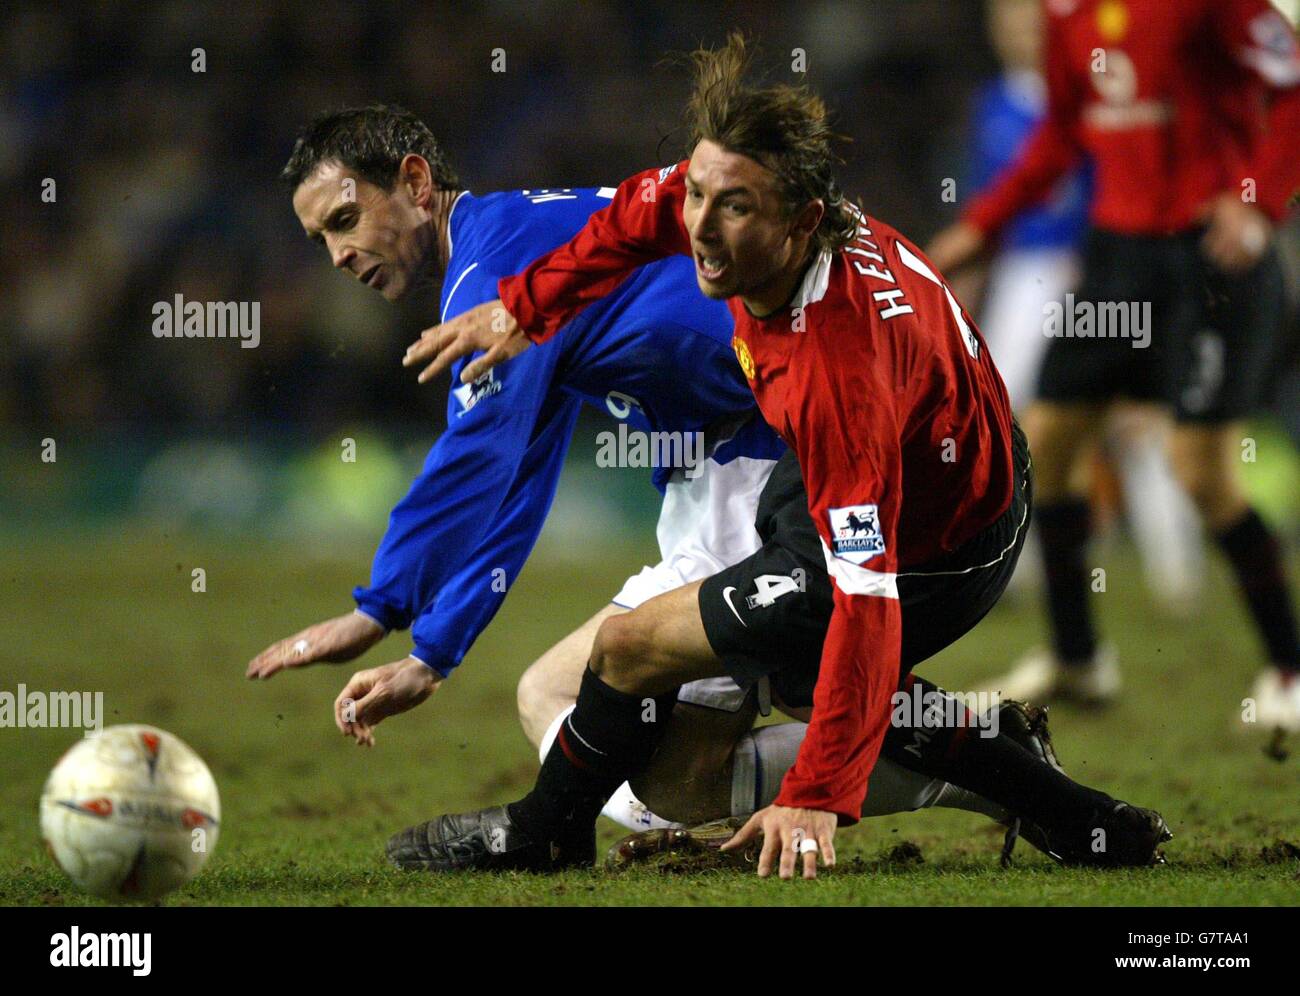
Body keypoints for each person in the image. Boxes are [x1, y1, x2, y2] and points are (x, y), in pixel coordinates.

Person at [401, 34, 1170, 879]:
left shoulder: (833, 364)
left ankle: (540, 834)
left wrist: (819, 792)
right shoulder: (745, 210)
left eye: (730, 208)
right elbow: (626, 221)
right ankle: (1064, 805)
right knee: (785, 670)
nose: (699, 225)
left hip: (941, 544)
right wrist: (521, 308)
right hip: (946, 470)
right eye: (695, 194)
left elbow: (869, 597)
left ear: (800, 220)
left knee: (630, 651)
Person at [252, 103, 1043, 842]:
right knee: (618, 736)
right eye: (321, 238)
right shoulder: (513, 239)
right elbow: (518, 472)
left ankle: (975, 770)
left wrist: (379, 609)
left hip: (765, 461)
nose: (339, 255)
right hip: (721, 468)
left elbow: (476, 460)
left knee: (649, 768)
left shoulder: (491, 273)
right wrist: (433, 649)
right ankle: (977, 750)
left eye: (346, 220)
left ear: (417, 184)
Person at [927, 0, 1300, 729]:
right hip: (1119, 260)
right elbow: (1061, 136)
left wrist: (1257, 203)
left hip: (1210, 260)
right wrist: (980, 229)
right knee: (1047, 439)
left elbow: (1291, 88)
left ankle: (1290, 668)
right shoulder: (1066, 13)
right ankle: (1079, 659)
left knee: (1200, 470)